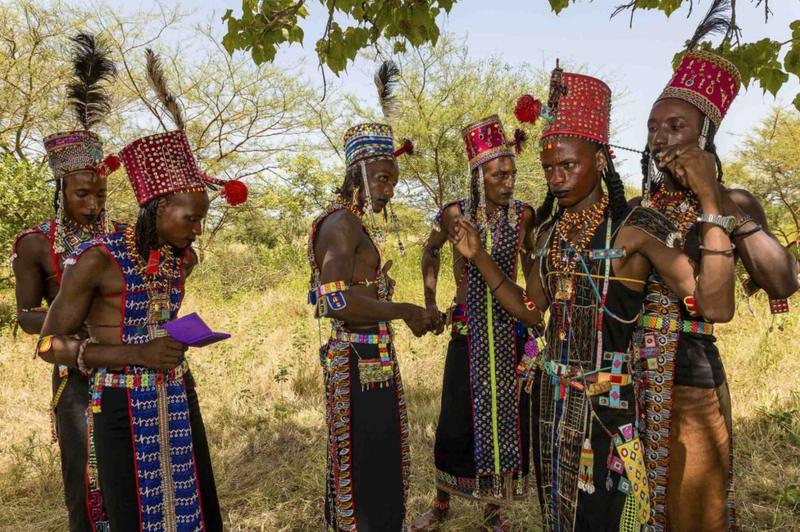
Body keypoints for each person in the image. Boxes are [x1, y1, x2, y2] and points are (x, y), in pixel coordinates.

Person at [450, 64, 737, 531]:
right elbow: (531, 311)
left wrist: (709, 199)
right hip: (551, 406)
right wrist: (479, 256)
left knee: (610, 518)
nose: (557, 178)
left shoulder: (636, 227)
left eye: (569, 165)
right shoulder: (548, 235)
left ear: (600, 160)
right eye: (548, 169)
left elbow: (716, 306)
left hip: (610, 412)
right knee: (559, 518)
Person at [35, 49, 245, 531]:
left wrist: (181, 335)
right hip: (118, 406)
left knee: (191, 509)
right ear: (158, 207)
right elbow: (47, 346)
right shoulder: (97, 259)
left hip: (176, 396)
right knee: (131, 514)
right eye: (191, 218)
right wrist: (137, 354)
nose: (197, 229)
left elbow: (153, 315)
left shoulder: (180, 259)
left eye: (202, 219)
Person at [636, 44, 800, 530]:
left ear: (705, 137)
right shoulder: (636, 210)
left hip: (692, 378)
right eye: (652, 126)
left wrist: (712, 196)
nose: (659, 137)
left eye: (676, 126)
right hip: (629, 380)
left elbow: (783, 281)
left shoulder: (735, 201)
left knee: (696, 512)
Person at [309, 119, 440, 531]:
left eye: (393, 182)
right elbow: (332, 301)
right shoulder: (341, 224)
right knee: (363, 454)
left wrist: (379, 290)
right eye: (383, 179)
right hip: (355, 358)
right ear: (358, 173)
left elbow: (352, 289)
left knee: (379, 451)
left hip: (370, 352)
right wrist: (402, 309)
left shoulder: (351, 222)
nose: (389, 190)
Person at [11, 33, 118, 531]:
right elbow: (25, 315)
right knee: (84, 475)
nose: (94, 205)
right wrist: (71, 327)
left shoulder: (121, 239)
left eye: (101, 195)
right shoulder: (36, 244)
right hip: (72, 370)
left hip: (125, 366)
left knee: (127, 470)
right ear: (61, 191)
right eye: (82, 195)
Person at [411, 115, 535, 531]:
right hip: (466, 331)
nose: (508, 182)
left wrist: (536, 315)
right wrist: (431, 301)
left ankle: (493, 511)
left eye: (511, 173)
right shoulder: (454, 214)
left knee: (504, 421)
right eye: (499, 175)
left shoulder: (524, 216)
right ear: (478, 176)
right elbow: (430, 251)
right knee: (454, 420)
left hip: (509, 332)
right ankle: (441, 504)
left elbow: (533, 272)